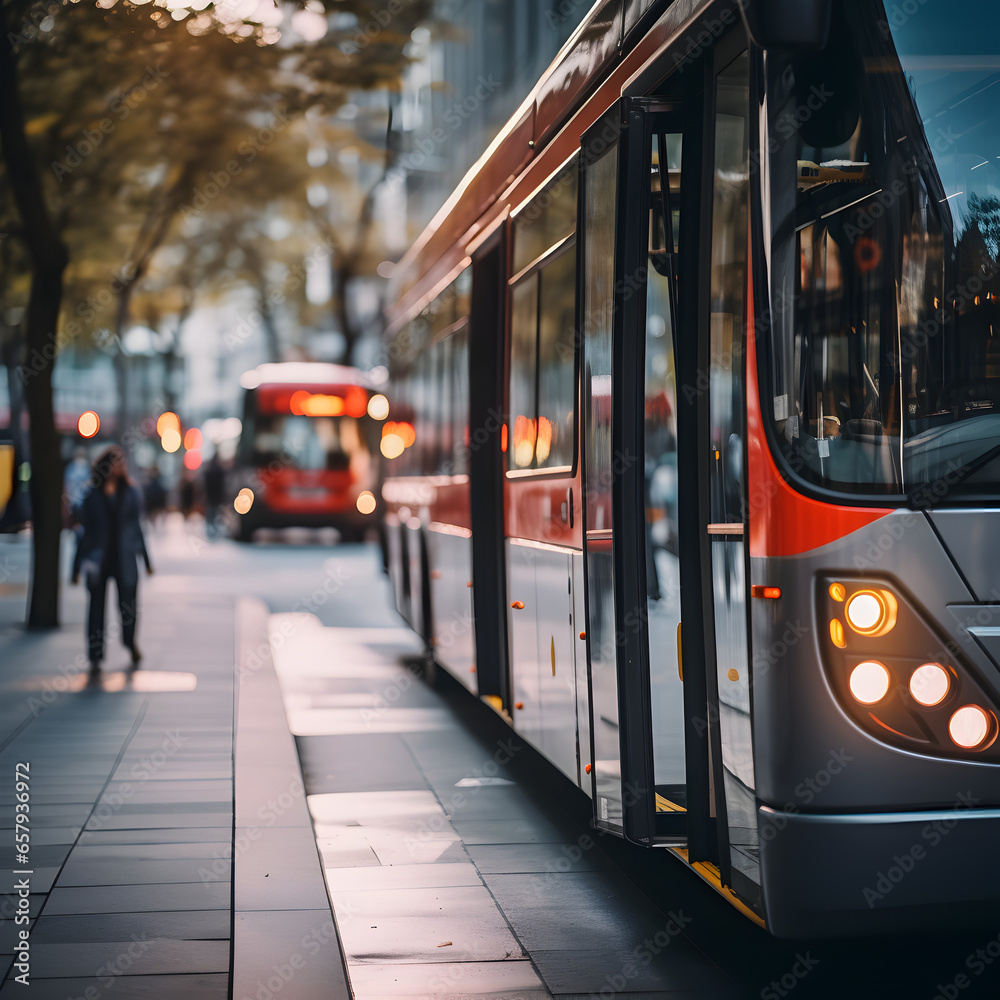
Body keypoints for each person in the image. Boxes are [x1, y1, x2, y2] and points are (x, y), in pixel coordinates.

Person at [71, 446, 153, 681]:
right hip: (99, 560)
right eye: (115, 462)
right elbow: (84, 533)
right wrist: (76, 567)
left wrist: (146, 560)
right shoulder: (91, 494)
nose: (120, 466)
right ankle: (95, 656)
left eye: (121, 462)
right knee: (96, 609)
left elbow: (136, 529)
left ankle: (130, 643)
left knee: (128, 608)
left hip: (124, 558)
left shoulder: (131, 492)